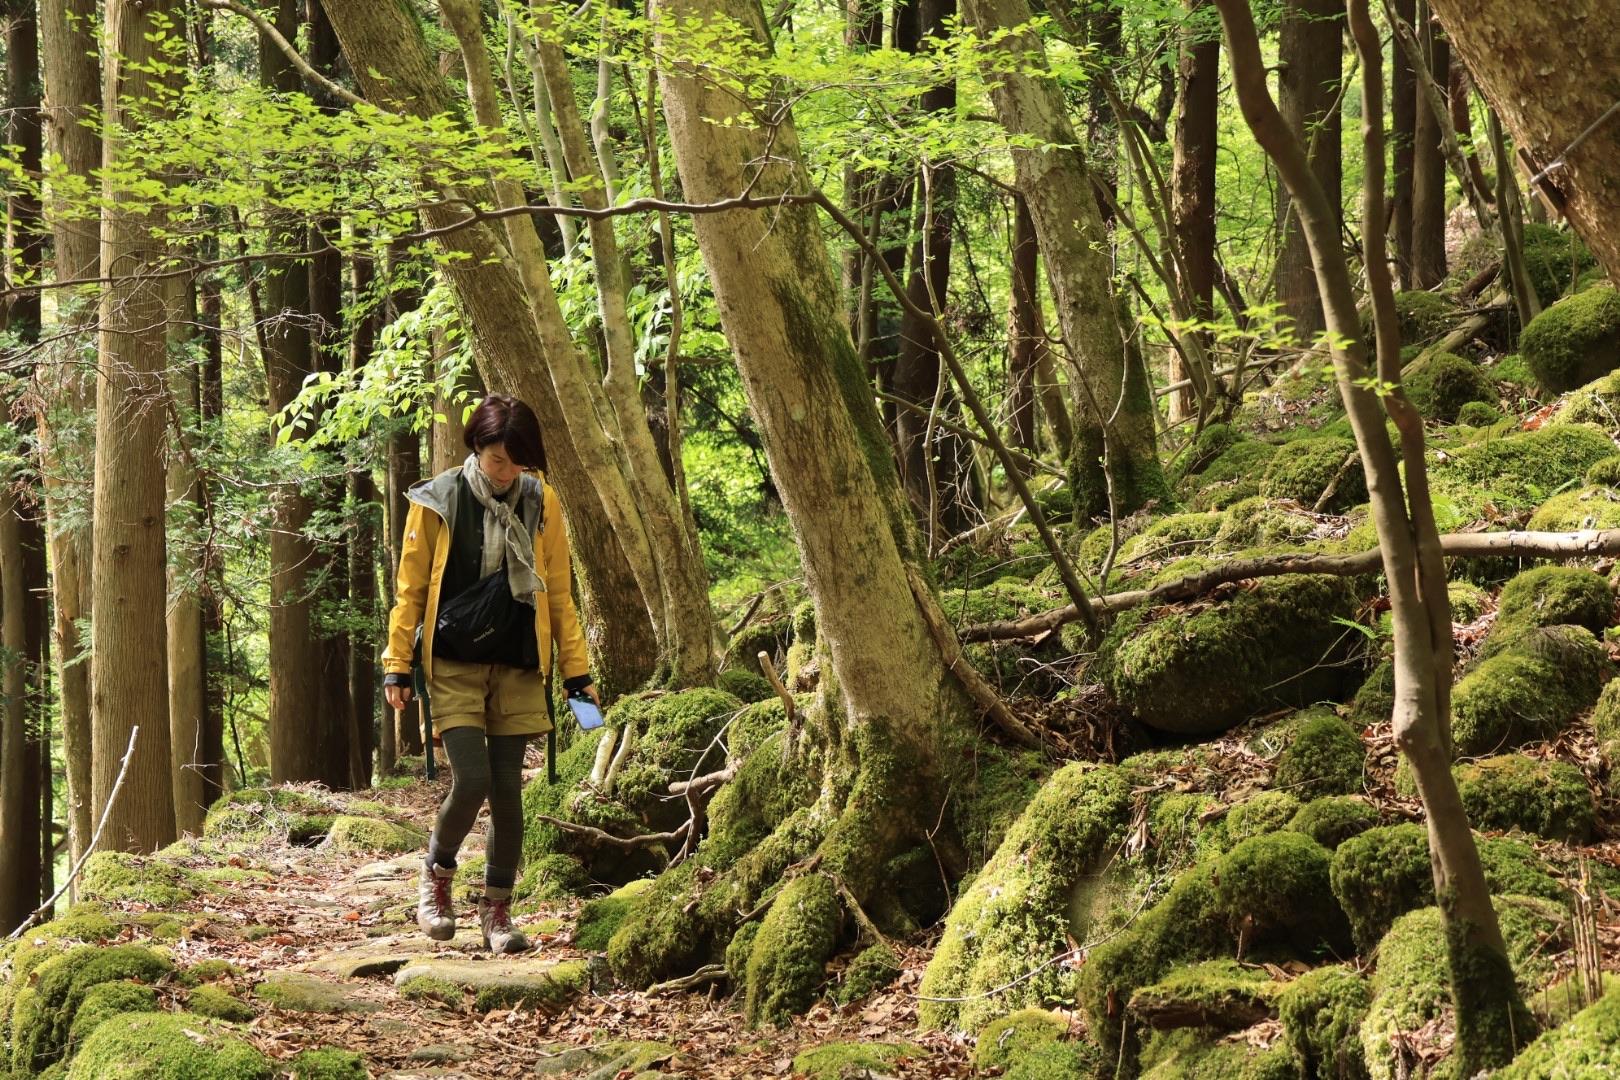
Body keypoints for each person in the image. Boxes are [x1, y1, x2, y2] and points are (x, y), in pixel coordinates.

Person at [382, 395, 597, 953]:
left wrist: (577, 675)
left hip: (519, 658)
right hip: (453, 658)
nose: (509, 472)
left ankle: (497, 911)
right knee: (471, 777)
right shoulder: (437, 501)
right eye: (499, 460)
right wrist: (397, 665)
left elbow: (559, 592)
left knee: (508, 792)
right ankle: (437, 877)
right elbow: (409, 592)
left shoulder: (541, 500)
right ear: (476, 449)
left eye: (518, 462)